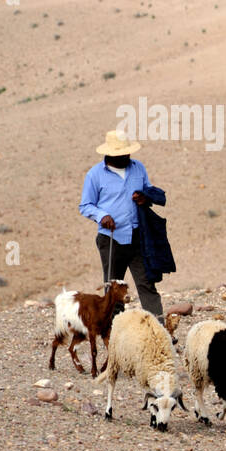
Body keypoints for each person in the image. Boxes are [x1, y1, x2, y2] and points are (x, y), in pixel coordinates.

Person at [79, 130, 166, 318]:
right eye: (120, 154)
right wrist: (102, 215)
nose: (125, 157)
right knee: (114, 289)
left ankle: (158, 327)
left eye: (127, 153)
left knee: (147, 283)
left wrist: (145, 198)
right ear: (109, 154)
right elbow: (85, 205)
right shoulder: (95, 175)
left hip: (138, 237)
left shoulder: (138, 168)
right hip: (111, 239)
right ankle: (114, 329)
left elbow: (148, 190)